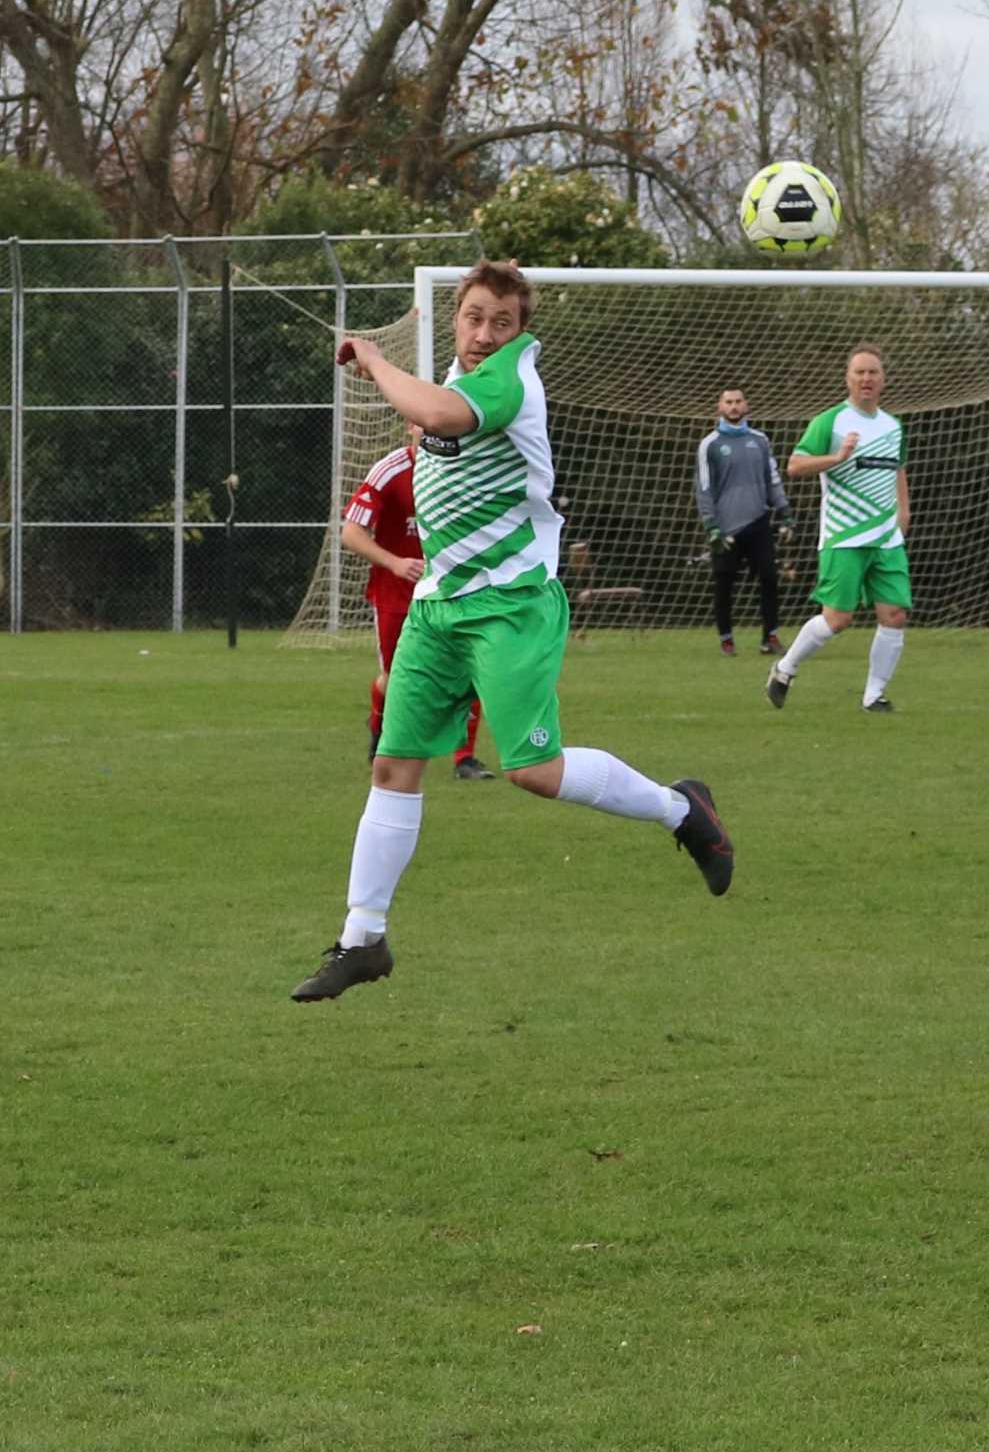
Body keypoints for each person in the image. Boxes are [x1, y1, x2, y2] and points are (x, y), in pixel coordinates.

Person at [292, 261, 736, 1004]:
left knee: (535, 771)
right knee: (393, 766)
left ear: (519, 331)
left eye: (501, 320)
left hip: (510, 605)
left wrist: (372, 357)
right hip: (439, 606)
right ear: (456, 318)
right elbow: (434, 423)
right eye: (473, 316)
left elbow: (438, 420)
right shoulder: (457, 384)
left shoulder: (509, 380)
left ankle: (683, 810)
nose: (483, 332)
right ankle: (363, 938)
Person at [338, 426, 488, 780]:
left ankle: (464, 759)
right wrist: (395, 563)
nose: (431, 431)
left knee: (470, 670)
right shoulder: (390, 470)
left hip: (453, 592)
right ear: (411, 428)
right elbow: (351, 532)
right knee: (396, 679)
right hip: (396, 595)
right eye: (423, 424)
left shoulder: (465, 470)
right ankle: (380, 733)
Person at [766, 345, 910, 713]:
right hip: (844, 536)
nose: (866, 379)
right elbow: (795, 465)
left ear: (883, 380)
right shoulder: (830, 421)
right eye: (859, 372)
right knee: (838, 619)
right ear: (848, 378)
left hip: (886, 538)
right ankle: (785, 668)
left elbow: (898, 471)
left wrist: (903, 514)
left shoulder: (893, 426)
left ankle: (874, 696)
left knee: (894, 614)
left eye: (873, 373)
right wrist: (836, 458)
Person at [694, 387, 786, 658]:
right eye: (728, 402)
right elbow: (704, 487)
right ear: (720, 407)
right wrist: (711, 524)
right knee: (724, 583)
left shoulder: (760, 440)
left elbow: (773, 478)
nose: (734, 406)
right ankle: (726, 639)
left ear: (746, 405)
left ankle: (770, 636)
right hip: (725, 527)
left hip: (758, 521)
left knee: (769, 577)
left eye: (738, 401)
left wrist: (784, 509)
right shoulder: (709, 444)